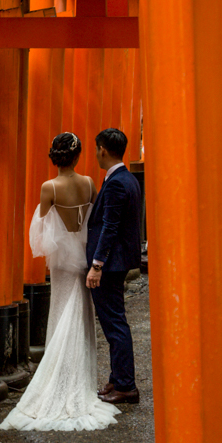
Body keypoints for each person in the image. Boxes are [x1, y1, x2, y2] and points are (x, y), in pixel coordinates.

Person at [0, 132, 120, 431]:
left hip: (62, 259)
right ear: (78, 156)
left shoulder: (49, 187)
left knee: (61, 308)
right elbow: (98, 216)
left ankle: (59, 373)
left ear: (54, 157)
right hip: (85, 252)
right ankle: (78, 377)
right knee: (81, 312)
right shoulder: (89, 183)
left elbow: (41, 228)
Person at [85, 128, 143, 404]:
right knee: (114, 322)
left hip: (109, 264)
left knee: (114, 324)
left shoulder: (118, 182)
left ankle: (126, 385)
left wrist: (97, 264)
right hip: (116, 262)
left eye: (97, 149)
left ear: (103, 150)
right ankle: (117, 378)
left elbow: (110, 226)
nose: (96, 153)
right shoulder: (126, 178)